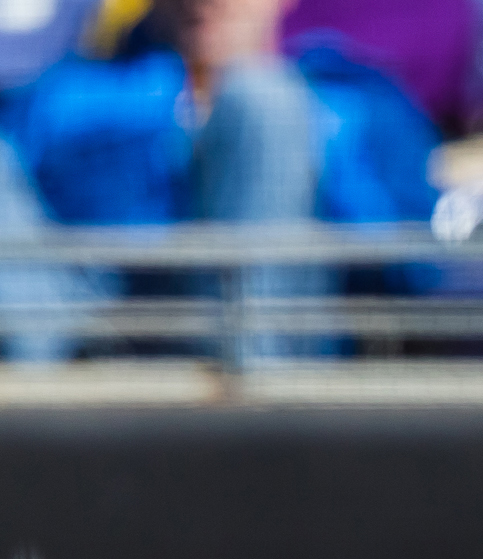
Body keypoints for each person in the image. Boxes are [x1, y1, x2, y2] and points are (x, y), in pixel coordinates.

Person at [4, 0, 439, 361]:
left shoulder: (358, 99)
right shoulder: (72, 94)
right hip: (90, 335)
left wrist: (284, 146)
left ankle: (248, 419)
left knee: (259, 101)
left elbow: (412, 267)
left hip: (275, 346)